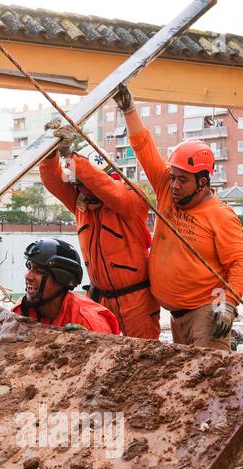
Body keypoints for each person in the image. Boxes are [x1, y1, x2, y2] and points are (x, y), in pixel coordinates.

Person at [114, 84, 243, 350]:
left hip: (206, 315)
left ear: (202, 182)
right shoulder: (167, 188)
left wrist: (228, 304)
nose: (174, 185)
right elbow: (144, 148)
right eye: (173, 177)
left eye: (183, 180)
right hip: (175, 318)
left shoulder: (220, 217)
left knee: (207, 381)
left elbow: (239, 264)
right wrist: (129, 109)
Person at [39, 126, 160, 339]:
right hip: (100, 299)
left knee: (144, 362)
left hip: (137, 302)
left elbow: (109, 190)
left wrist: (73, 158)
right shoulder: (81, 205)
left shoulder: (130, 200)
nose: (80, 190)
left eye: (84, 183)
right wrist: (52, 153)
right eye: (77, 184)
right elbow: (54, 181)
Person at [13, 239, 120, 335]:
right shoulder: (20, 311)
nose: (28, 276)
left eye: (39, 271)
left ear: (62, 278)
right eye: (29, 267)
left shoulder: (89, 322)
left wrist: (89, 342)